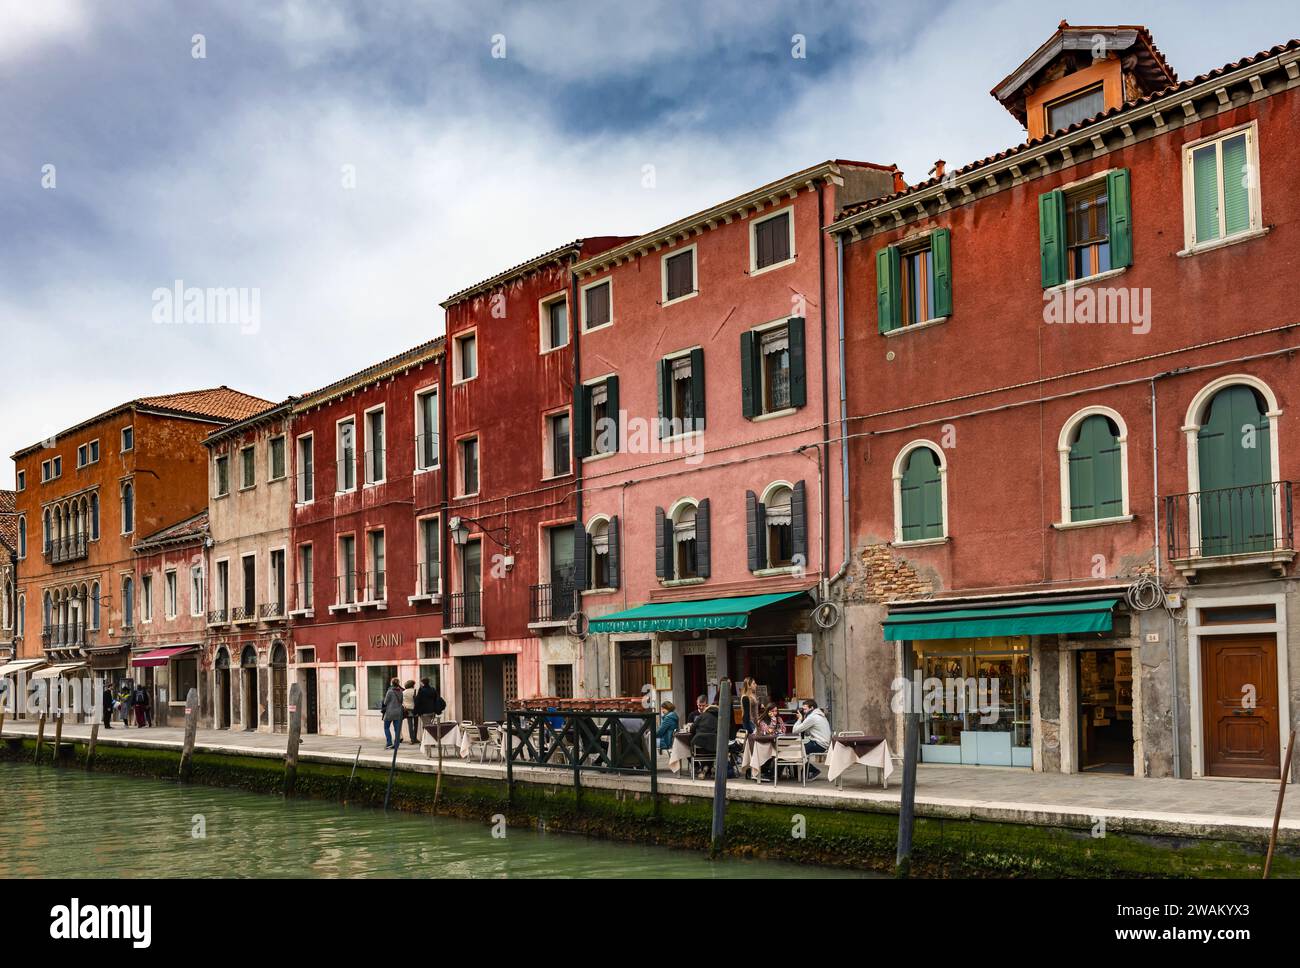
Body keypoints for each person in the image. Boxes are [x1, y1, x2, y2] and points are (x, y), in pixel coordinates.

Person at [792, 698, 832, 779]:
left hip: (819, 744)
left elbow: (795, 730)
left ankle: (813, 771)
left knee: (797, 750)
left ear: (812, 708)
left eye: (805, 709)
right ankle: (799, 774)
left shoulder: (812, 717)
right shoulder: (819, 715)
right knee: (797, 749)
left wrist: (799, 719)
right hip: (823, 743)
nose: (803, 711)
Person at [413, 677, 441, 743]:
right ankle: (428, 741)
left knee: (427, 727)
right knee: (430, 726)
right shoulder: (433, 689)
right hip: (432, 711)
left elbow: (418, 701)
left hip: (424, 712)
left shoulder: (421, 690)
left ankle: (429, 741)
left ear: (422, 683)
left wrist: (415, 711)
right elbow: (436, 699)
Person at [381, 677, 405, 750]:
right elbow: (401, 701)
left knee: (386, 727)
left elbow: (385, 702)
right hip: (398, 712)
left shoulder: (390, 691)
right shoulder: (401, 691)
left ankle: (389, 743)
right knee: (397, 729)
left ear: (392, 683)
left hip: (389, 712)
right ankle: (396, 744)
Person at [402, 679, 418, 743]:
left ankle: (412, 739)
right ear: (412, 685)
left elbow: (402, 701)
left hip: (407, 709)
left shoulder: (403, 692)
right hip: (415, 709)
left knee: (410, 725)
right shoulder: (415, 691)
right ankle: (415, 738)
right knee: (416, 724)